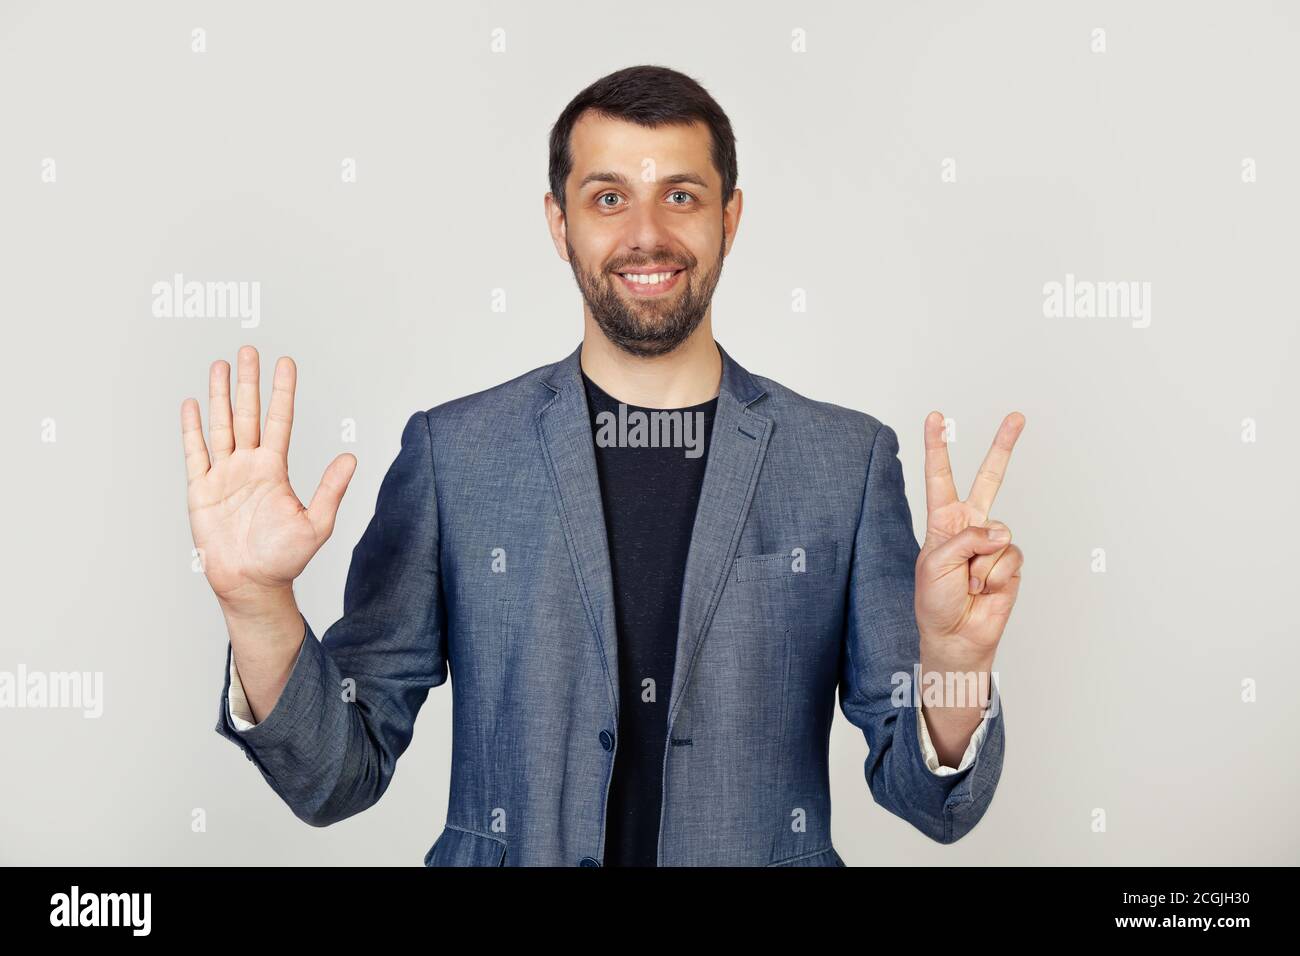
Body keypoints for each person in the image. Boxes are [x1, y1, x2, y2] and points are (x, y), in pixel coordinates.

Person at [179, 64, 1025, 867]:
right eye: (609, 197)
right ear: (560, 223)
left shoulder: (846, 463)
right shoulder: (454, 456)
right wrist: (258, 607)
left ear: (730, 218)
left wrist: (953, 670)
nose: (646, 234)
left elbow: (933, 803)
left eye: (681, 196)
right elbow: (335, 776)